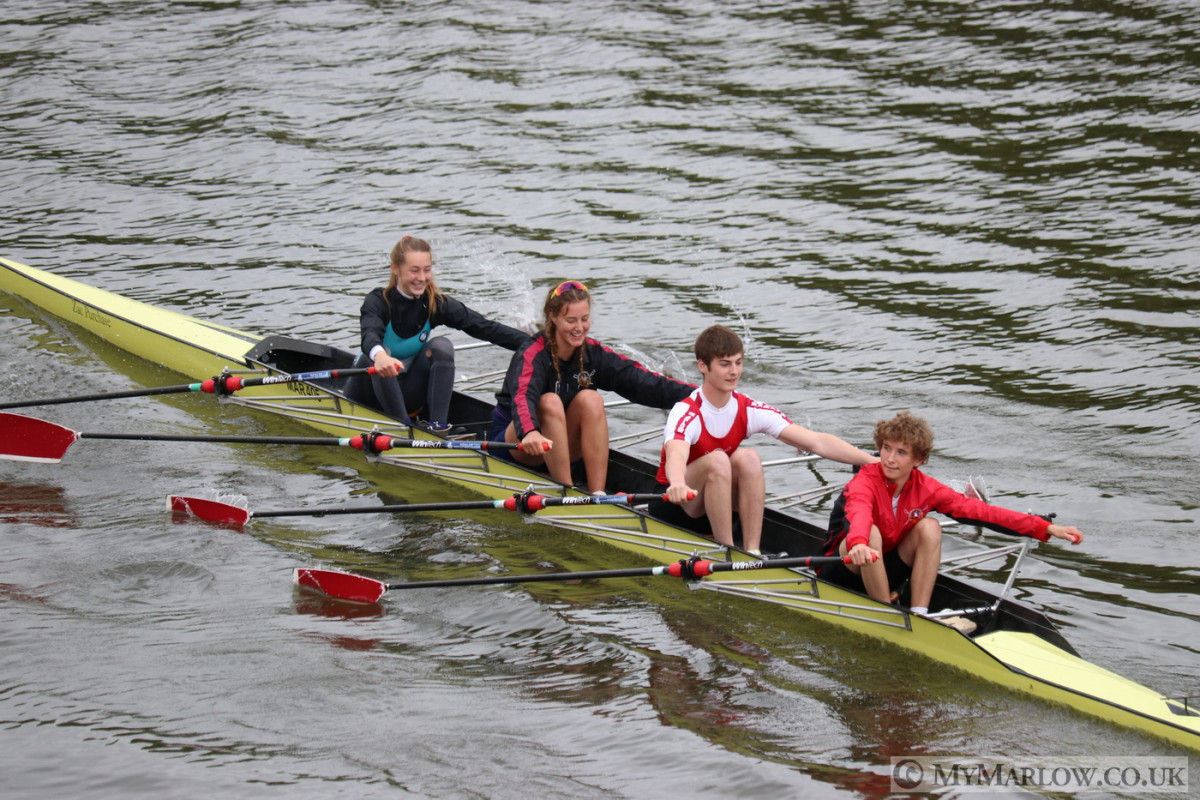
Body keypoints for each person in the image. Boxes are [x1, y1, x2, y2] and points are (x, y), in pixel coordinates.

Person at [818, 410, 1084, 615]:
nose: (889, 459)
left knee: (930, 526)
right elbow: (859, 514)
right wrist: (859, 543)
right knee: (871, 533)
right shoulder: (864, 480)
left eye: (901, 452)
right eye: (886, 448)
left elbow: (982, 512)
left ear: (919, 460)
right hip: (843, 567)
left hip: (886, 567)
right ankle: (885, 612)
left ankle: (919, 613)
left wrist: (1044, 527)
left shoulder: (927, 488)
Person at [658, 325, 878, 554]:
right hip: (676, 505)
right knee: (718, 460)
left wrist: (872, 462)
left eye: (738, 362)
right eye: (725, 364)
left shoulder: (748, 408)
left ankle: (752, 552)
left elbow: (817, 442)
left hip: (718, 506)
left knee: (749, 458)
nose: (734, 371)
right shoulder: (686, 412)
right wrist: (677, 483)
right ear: (703, 366)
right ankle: (727, 551)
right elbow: (676, 455)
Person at [492, 280, 695, 494]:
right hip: (519, 446)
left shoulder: (593, 354)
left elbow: (643, 382)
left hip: (560, 448)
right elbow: (523, 397)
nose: (579, 328)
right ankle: (567, 492)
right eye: (571, 320)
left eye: (585, 319)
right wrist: (530, 431)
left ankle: (597, 493)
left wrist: (699, 395)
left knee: (591, 399)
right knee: (549, 401)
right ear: (552, 317)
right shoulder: (533, 353)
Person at [344, 236, 530, 434]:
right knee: (377, 354)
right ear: (395, 268)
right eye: (414, 270)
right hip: (366, 393)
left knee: (442, 346)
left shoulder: (436, 303)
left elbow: (486, 328)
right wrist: (380, 356)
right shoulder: (377, 301)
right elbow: (370, 333)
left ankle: (438, 428)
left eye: (427, 270)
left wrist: (540, 343)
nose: (422, 278)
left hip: (407, 394)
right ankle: (403, 428)